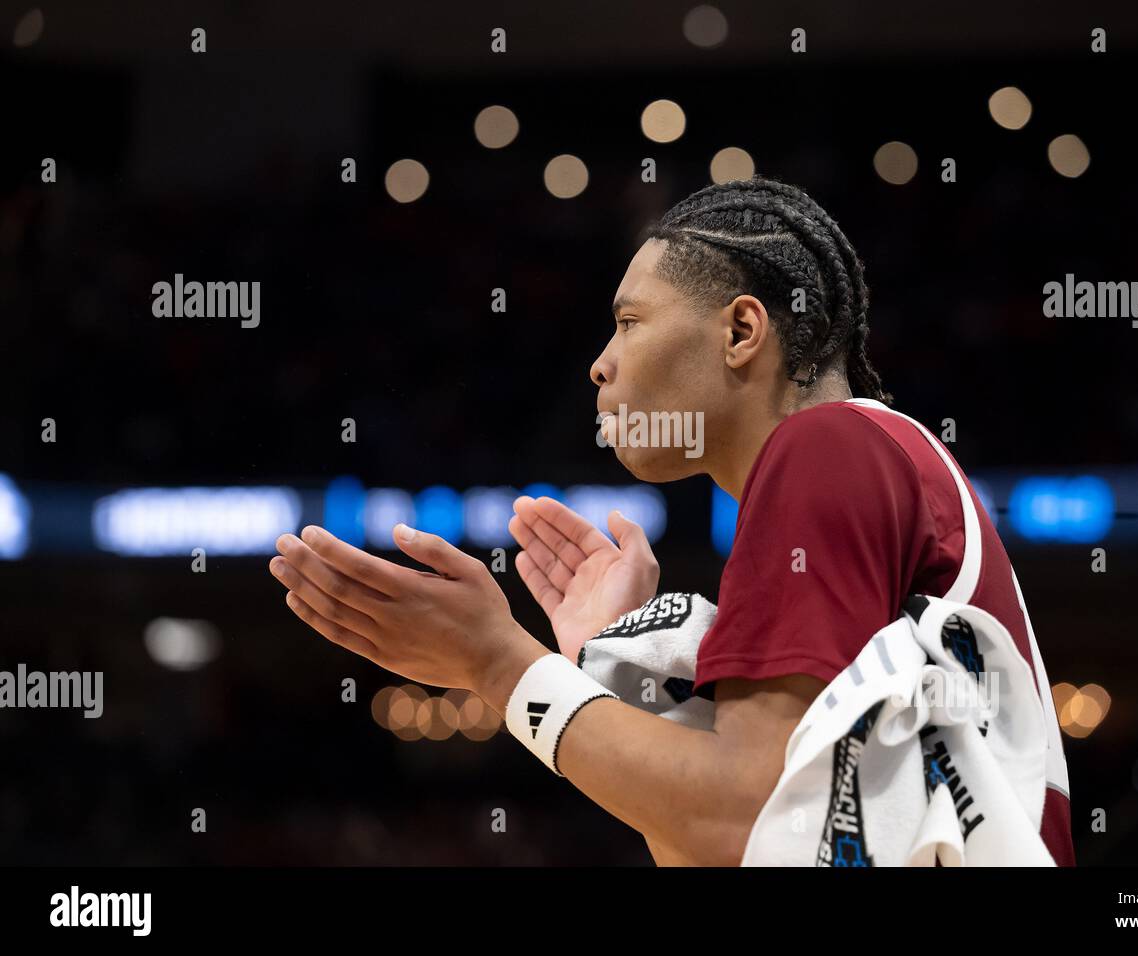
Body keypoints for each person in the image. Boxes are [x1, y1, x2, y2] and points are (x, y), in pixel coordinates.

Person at [267, 176, 1074, 866]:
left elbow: (740, 818)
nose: (600, 362)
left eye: (627, 322)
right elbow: (729, 844)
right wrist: (604, 656)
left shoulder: (828, 445)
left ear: (740, 330)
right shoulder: (861, 460)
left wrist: (498, 664)